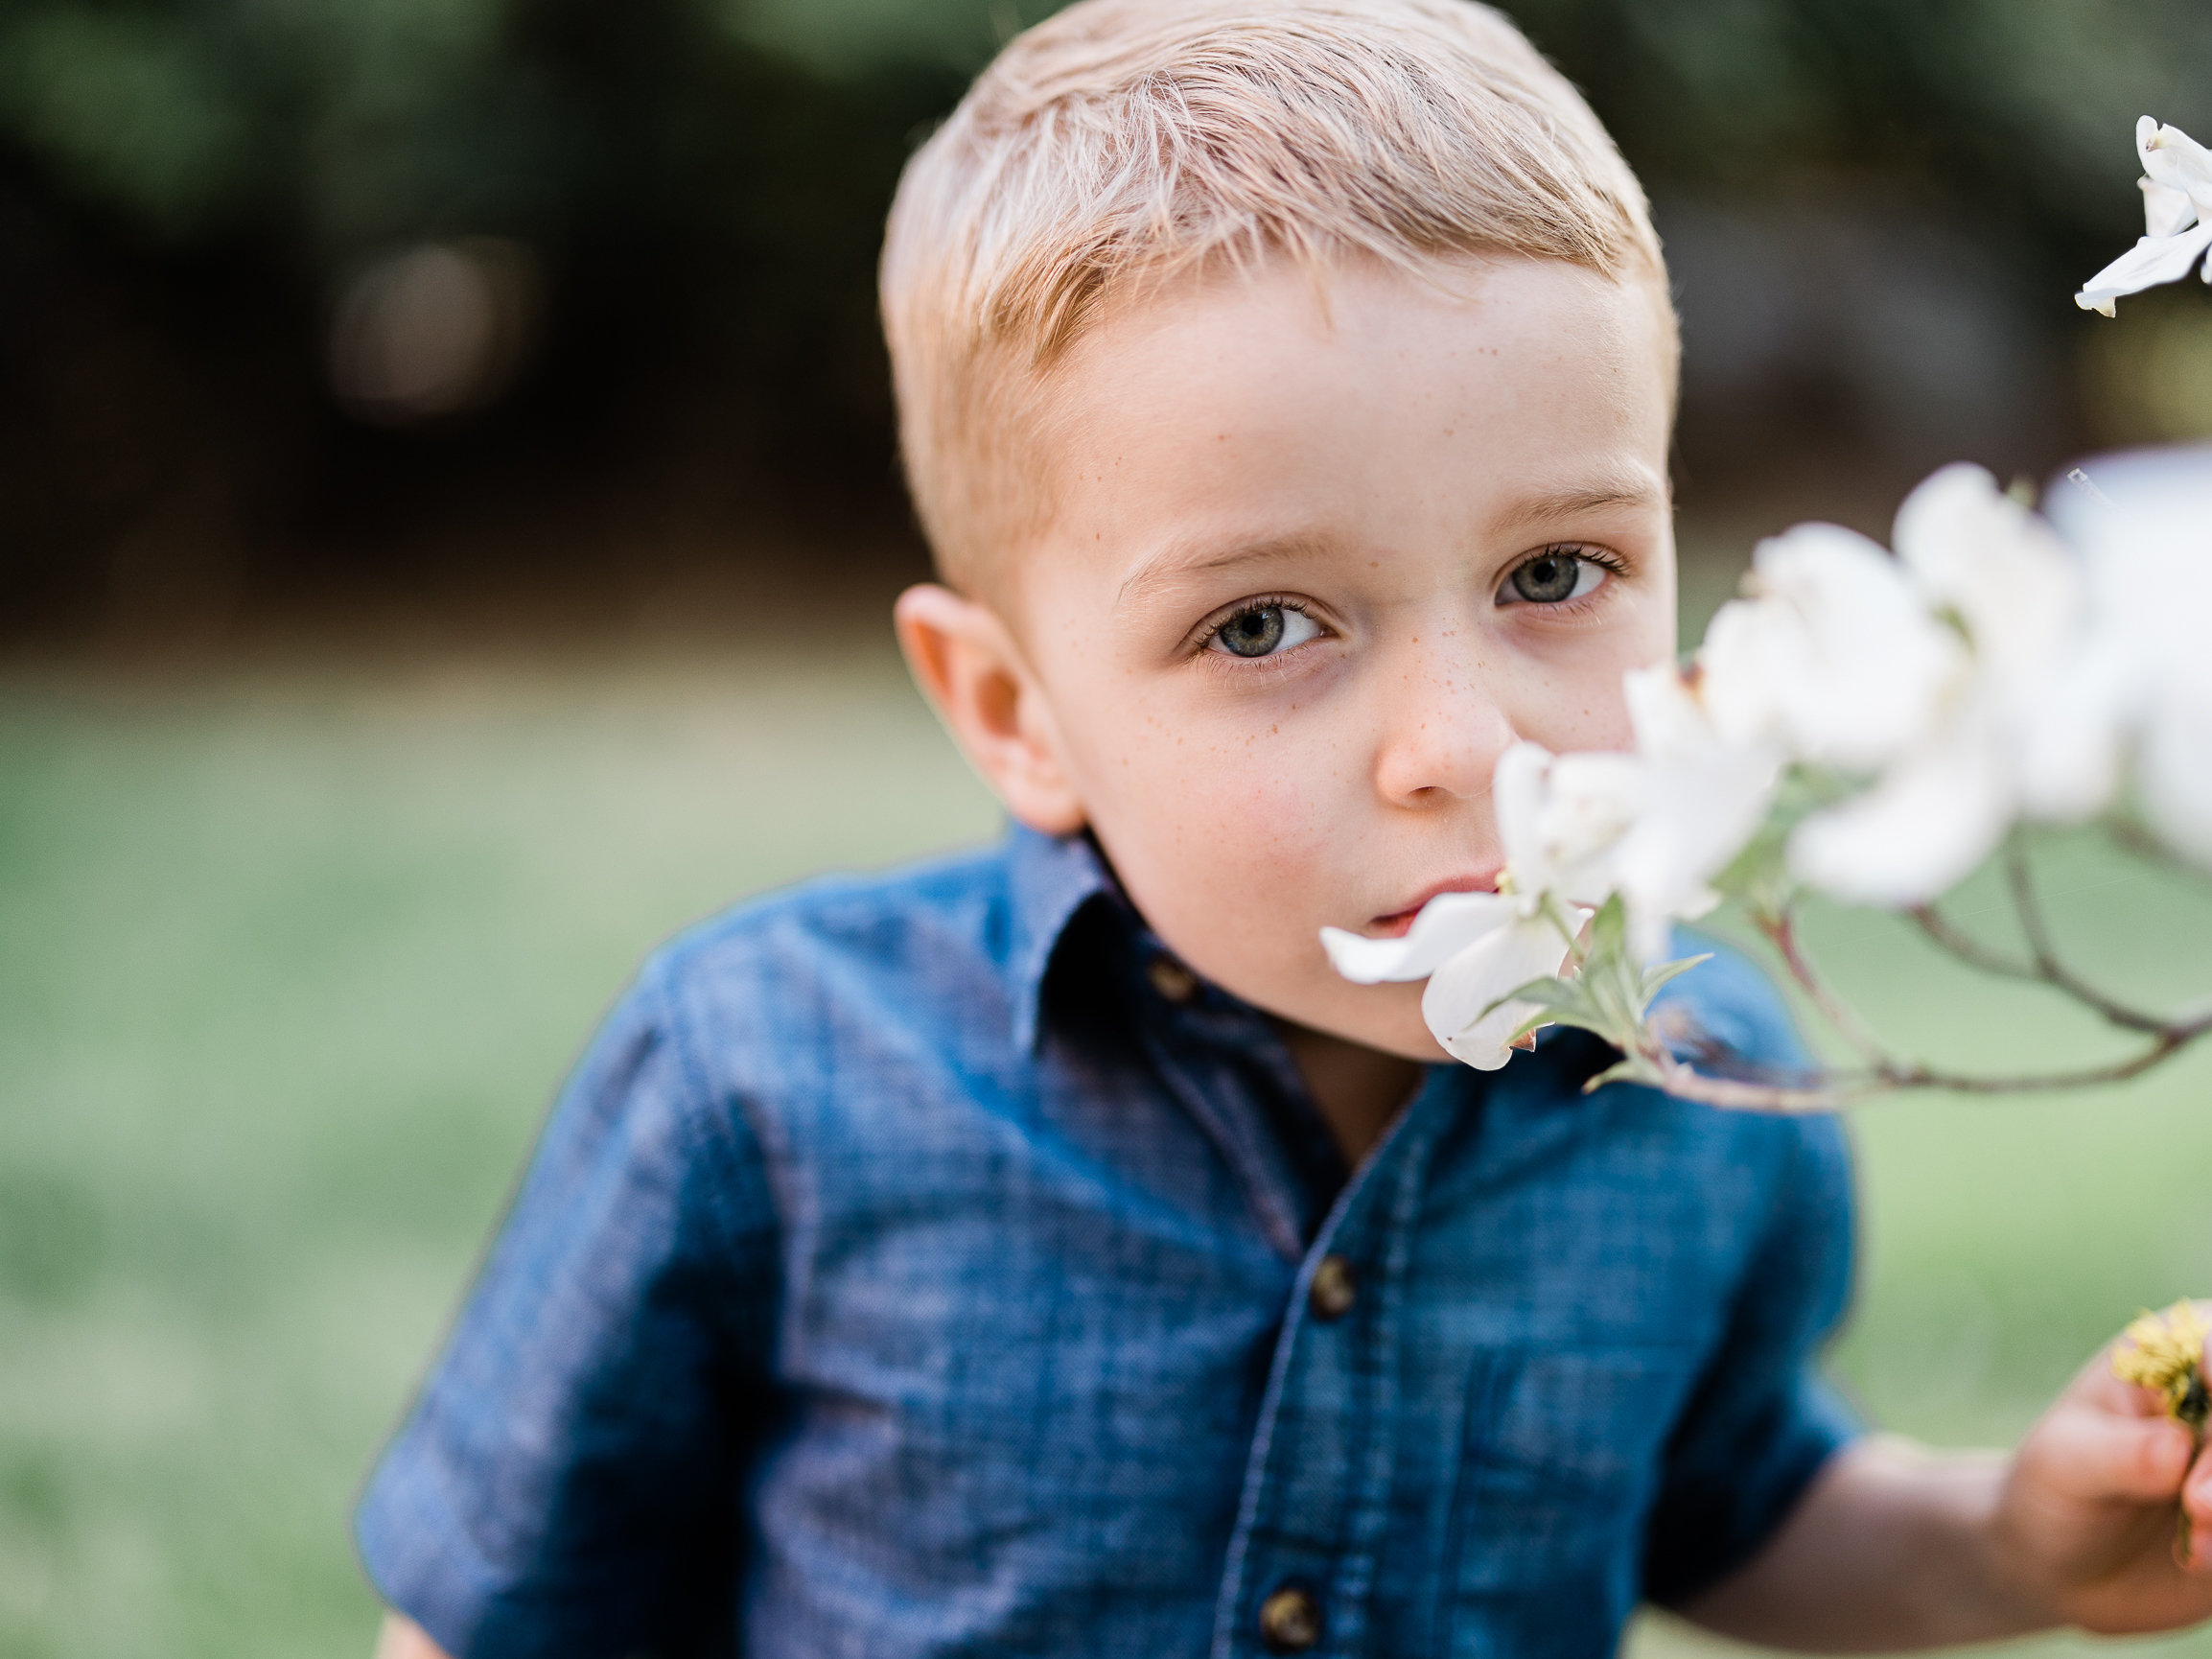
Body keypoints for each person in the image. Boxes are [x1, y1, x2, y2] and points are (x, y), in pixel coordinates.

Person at [356, 2, 2212, 1653]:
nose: (1459, 744)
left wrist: (2016, 1541)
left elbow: (1739, 1510)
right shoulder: (764, 1076)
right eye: (1259, 625)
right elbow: (496, 1609)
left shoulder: (1701, 1082)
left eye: (1554, 571)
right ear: (1012, 711)